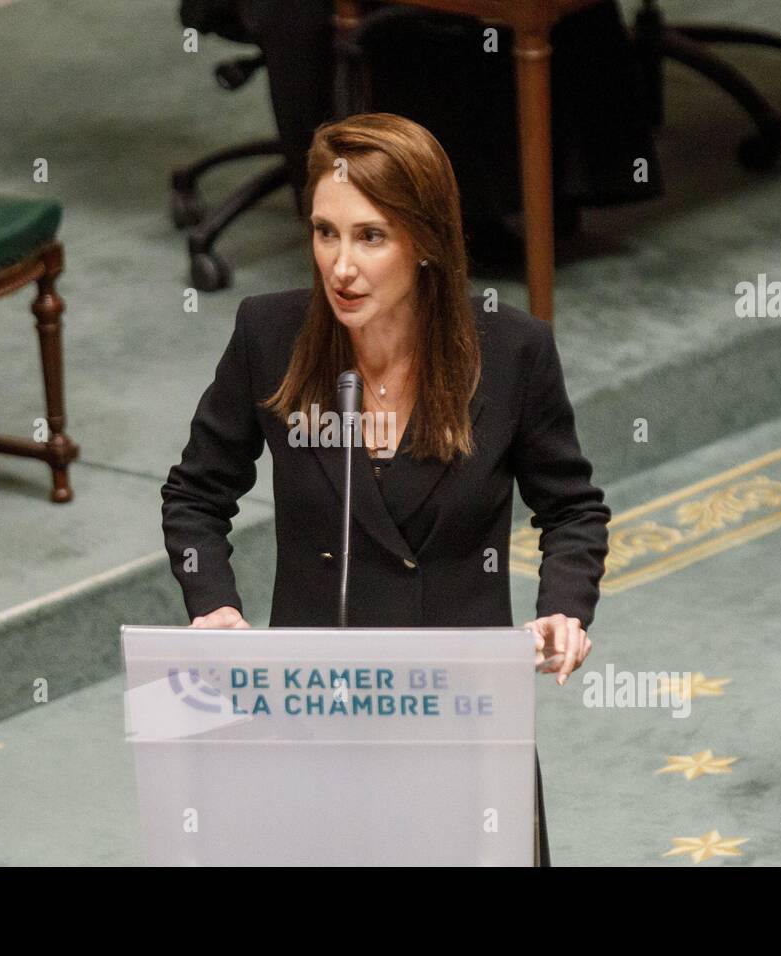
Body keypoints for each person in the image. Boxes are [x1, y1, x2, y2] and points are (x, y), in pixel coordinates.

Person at [160, 112, 611, 866]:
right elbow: (195, 496)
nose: (340, 266)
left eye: (370, 236)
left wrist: (564, 606)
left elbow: (572, 508)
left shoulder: (512, 353)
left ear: (426, 242)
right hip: (315, 711)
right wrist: (215, 604)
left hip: (461, 711)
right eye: (324, 232)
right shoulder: (268, 336)